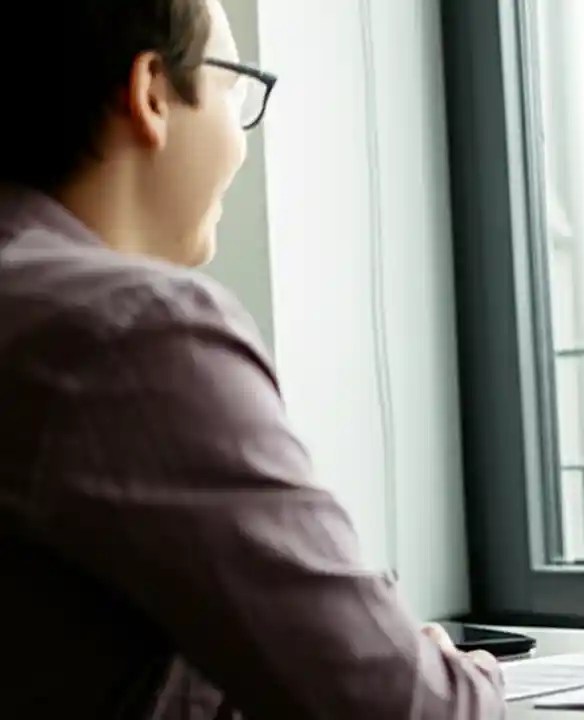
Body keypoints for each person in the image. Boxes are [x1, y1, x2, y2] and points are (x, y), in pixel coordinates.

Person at [0, 1, 503, 717]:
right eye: (235, 85)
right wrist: (465, 674)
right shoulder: (131, 329)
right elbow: (396, 706)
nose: (241, 140)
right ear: (150, 94)